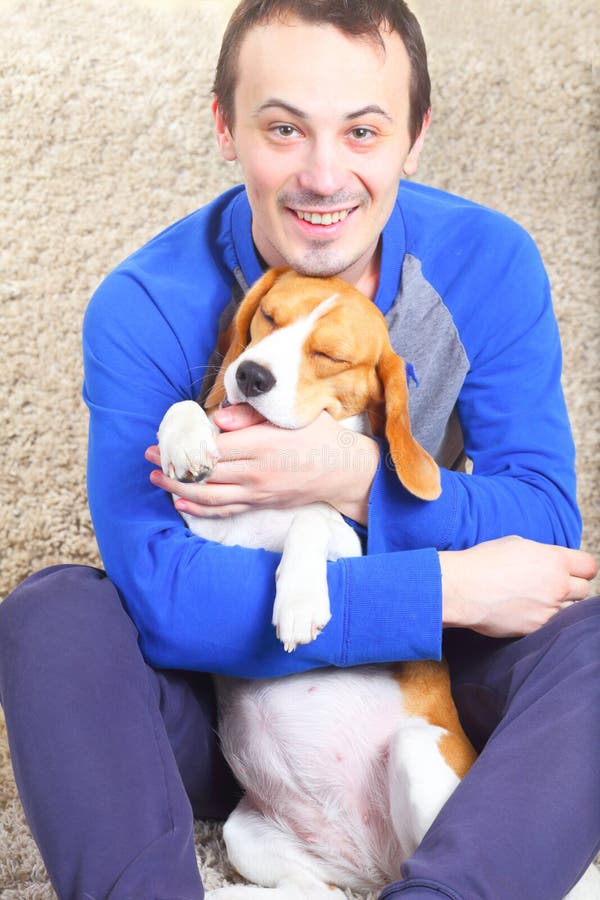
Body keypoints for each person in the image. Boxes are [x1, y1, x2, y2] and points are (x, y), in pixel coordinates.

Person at [0, 1, 598, 898]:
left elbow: (548, 525)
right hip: (225, 704)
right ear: (225, 127)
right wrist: (448, 584)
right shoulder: (142, 303)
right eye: (284, 128)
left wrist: (353, 477)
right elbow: (160, 598)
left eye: (363, 130)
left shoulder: (489, 261)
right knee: (51, 615)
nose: (325, 175)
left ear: (415, 137)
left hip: (419, 683)